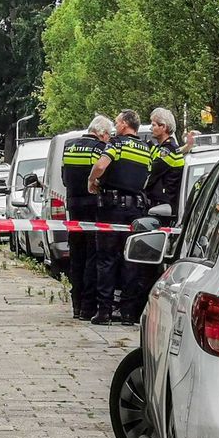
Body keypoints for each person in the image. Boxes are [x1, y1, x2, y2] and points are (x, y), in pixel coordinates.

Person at [87, 109, 152, 325]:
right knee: (130, 261)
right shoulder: (146, 149)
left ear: (125, 124)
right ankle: (127, 313)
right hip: (136, 211)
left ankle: (104, 312)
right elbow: (146, 179)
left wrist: (91, 180)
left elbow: (100, 165)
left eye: (117, 122)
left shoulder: (116, 144)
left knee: (106, 259)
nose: (115, 126)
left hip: (111, 209)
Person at [61, 114, 113, 320]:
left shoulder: (69, 146)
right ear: (101, 133)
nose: (109, 139)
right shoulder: (99, 149)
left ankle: (76, 304)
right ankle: (87, 308)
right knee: (93, 256)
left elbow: (64, 178)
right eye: (108, 135)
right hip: (93, 207)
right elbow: (101, 177)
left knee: (76, 256)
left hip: (73, 206)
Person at [145, 107, 195, 216]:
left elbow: (150, 175)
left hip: (164, 208)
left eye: (153, 125)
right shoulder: (167, 147)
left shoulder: (168, 150)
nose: (150, 128)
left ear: (163, 127)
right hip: (163, 207)